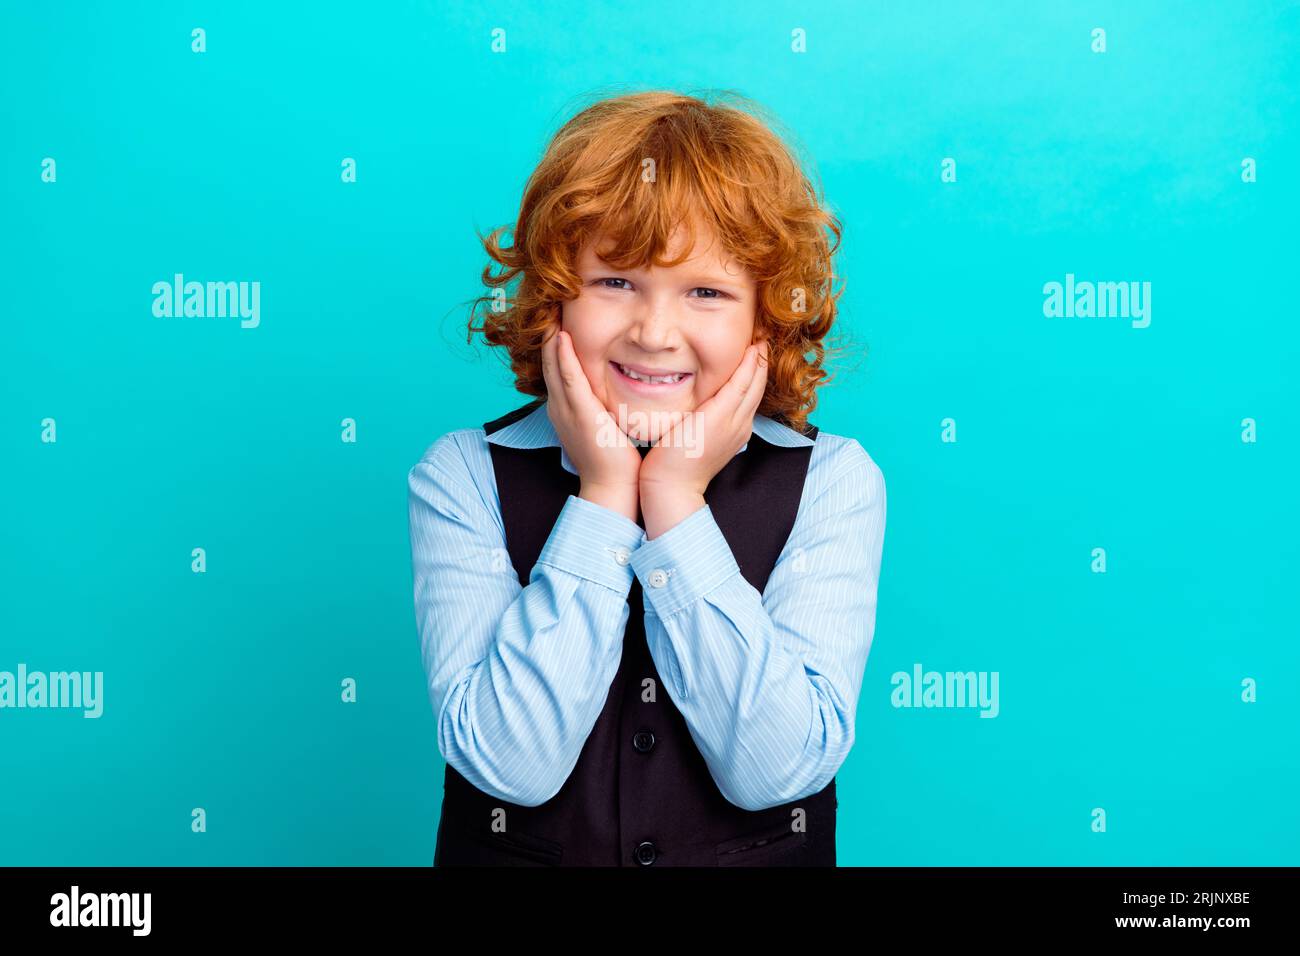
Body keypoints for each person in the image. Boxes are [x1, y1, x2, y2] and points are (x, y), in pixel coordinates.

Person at [407, 89, 886, 866]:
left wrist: (673, 503)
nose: (654, 332)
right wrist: (603, 495)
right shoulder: (461, 476)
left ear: (766, 319)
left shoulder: (832, 482)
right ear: (555, 295)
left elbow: (778, 770)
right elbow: (507, 768)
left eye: (706, 292)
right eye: (615, 282)